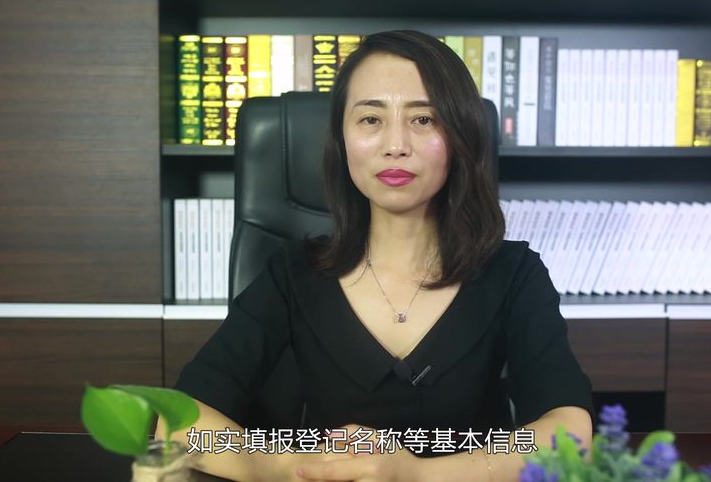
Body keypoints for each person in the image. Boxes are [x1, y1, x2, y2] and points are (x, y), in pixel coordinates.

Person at [157, 29, 593, 481]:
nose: (395, 144)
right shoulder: (291, 274)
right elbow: (179, 424)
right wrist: (290, 468)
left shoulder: (514, 273)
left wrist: (417, 475)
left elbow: (569, 435)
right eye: (370, 119)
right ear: (341, 139)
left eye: (423, 119)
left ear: (460, 135)